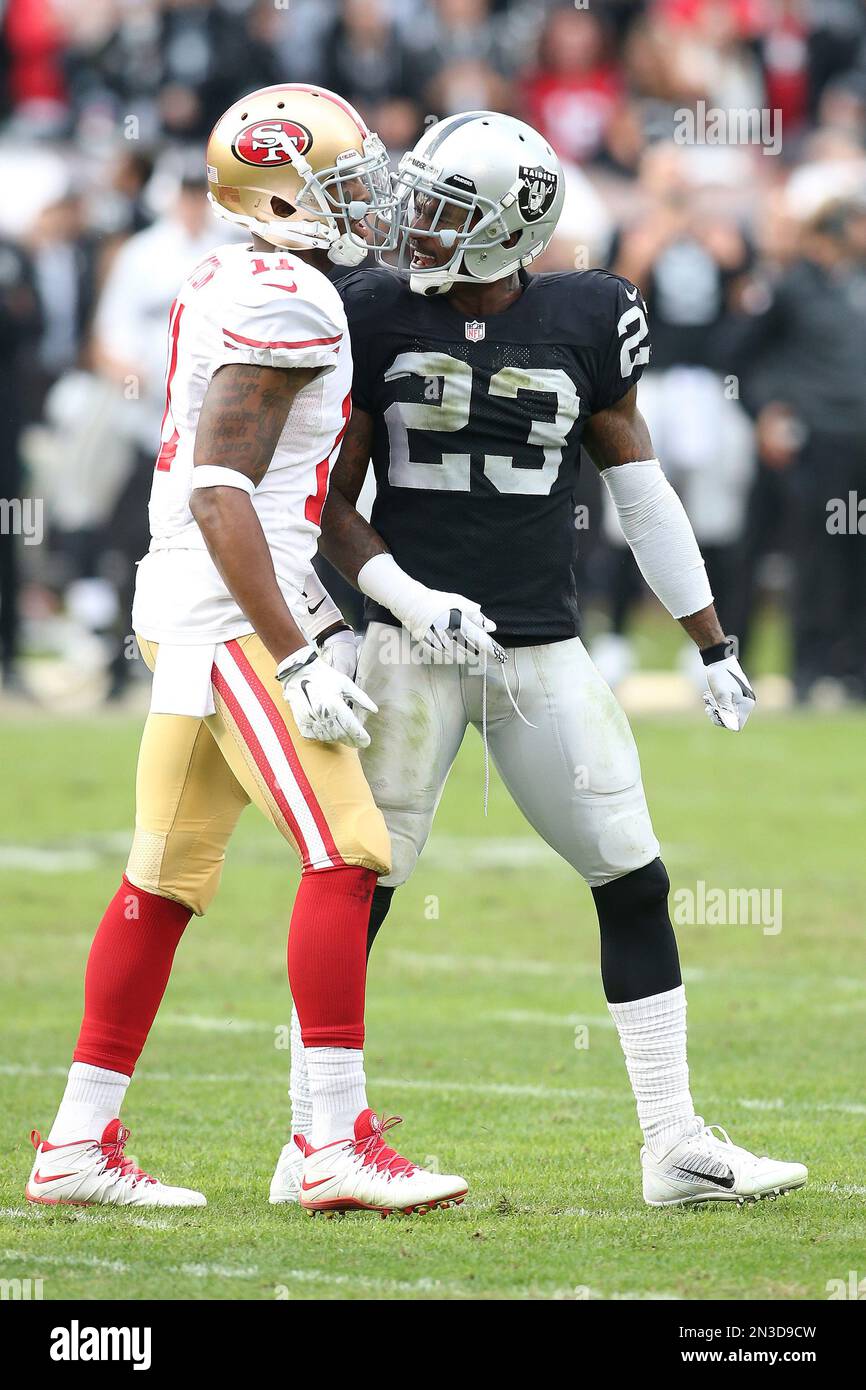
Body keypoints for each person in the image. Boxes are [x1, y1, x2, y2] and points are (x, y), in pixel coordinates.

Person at [272, 111, 808, 1209]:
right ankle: (314, 1137)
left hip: (538, 647)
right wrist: (411, 603)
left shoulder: (589, 311)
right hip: (405, 646)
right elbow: (325, 502)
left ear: (513, 228)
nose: (416, 224)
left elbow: (637, 486)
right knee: (356, 887)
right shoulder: (370, 311)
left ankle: (670, 1144)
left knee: (631, 871)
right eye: (420, 199)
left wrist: (707, 638)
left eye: (445, 209)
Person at [26, 84, 484, 1216]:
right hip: (233, 609)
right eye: (344, 180)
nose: (367, 198)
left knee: (163, 879)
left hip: (197, 596)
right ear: (282, 195)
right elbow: (223, 488)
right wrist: (294, 653)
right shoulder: (288, 298)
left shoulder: (248, 276)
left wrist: (393, 594)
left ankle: (76, 1142)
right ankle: (331, 1139)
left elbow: (284, 491)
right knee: (348, 848)